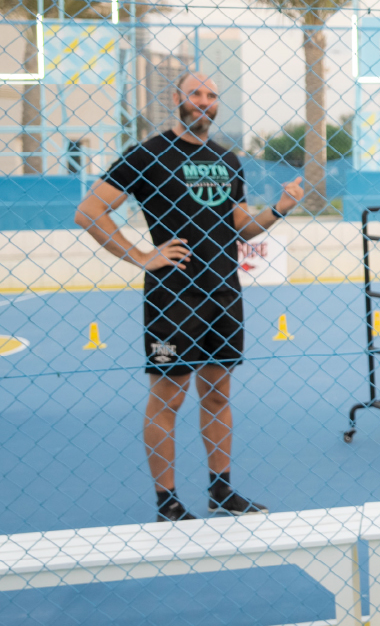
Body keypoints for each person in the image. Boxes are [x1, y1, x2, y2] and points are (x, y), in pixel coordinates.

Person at [75, 72, 303, 522]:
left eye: (212, 95)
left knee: (218, 395)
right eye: (195, 93)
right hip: (173, 295)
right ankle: (168, 501)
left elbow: (240, 227)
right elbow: (89, 211)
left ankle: (221, 491)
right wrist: (141, 255)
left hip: (224, 292)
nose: (204, 101)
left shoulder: (228, 161)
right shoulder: (146, 155)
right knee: (169, 399)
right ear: (176, 98)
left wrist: (278, 209)